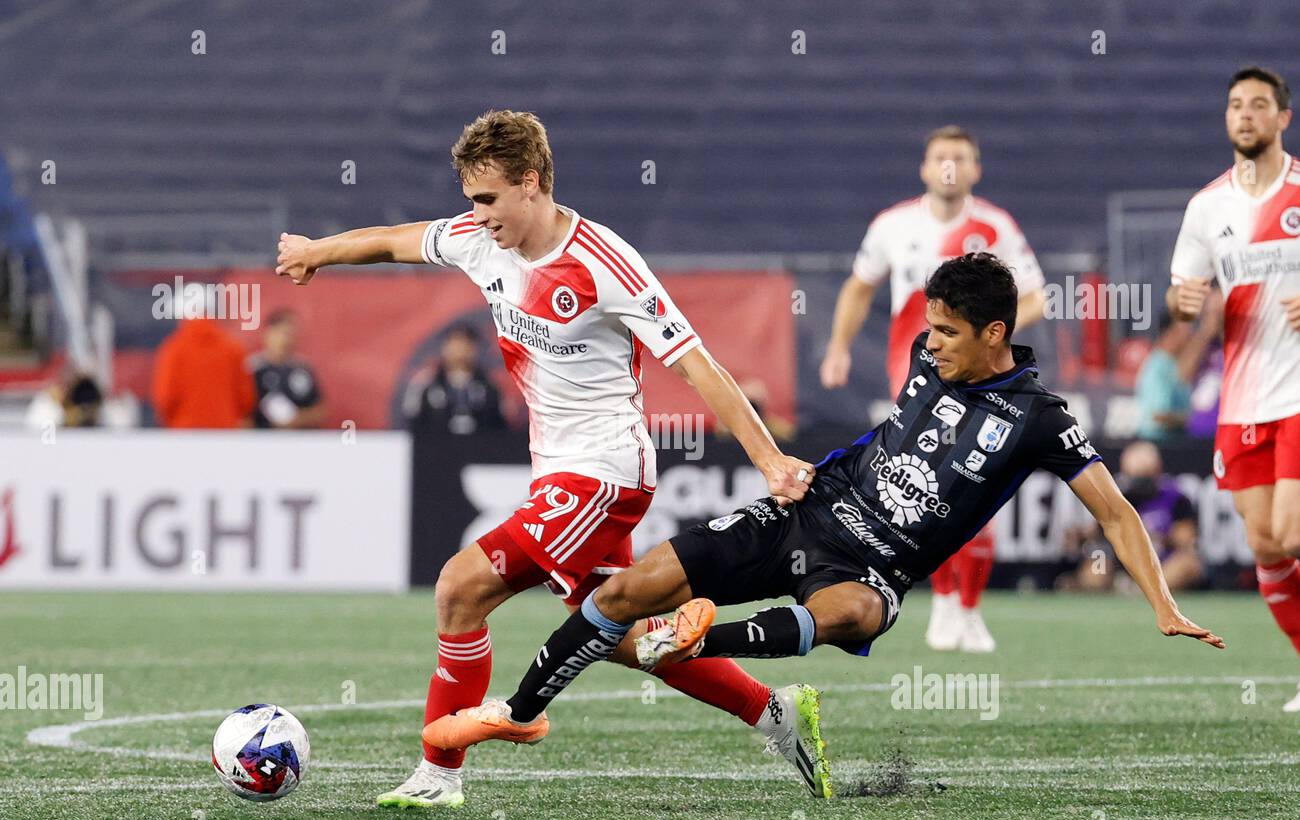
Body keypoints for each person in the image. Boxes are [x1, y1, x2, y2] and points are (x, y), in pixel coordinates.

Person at [428, 254, 1223, 766]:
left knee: (855, 614)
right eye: (928, 328)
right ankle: (518, 711)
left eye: (947, 332)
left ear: (994, 333)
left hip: (876, 566)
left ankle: (692, 642)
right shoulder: (926, 354)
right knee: (620, 596)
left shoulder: (1039, 420)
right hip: (811, 509)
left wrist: (1162, 603)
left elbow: (1118, 514)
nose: (930, 343)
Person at [276, 109, 827, 806]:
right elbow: (391, 241)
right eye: (471, 199)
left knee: (459, 587)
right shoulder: (479, 239)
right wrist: (316, 251)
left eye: (487, 198)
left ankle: (439, 772)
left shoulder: (605, 263)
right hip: (560, 475)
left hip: (603, 475)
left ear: (530, 183)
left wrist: (771, 461)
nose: (474, 214)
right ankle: (776, 712)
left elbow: (698, 365)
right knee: (623, 636)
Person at [820, 126, 1047, 654]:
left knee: (979, 486)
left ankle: (968, 608)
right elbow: (859, 286)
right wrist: (838, 347)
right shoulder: (893, 226)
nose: (949, 166)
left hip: (985, 383)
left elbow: (1035, 297)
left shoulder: (995, 228)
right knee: (928, 489)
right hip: (918, 379)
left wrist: (995, 339)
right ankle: (945, 604)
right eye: (940, 157)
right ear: (925, 168)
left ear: (975, 168)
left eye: (960, 157)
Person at [1165, 66, 1300, 712]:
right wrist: (1183, 299)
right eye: (1235, 106)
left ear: (1283, 119)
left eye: (1259, 105)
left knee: (1293, 533)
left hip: (1298, 392)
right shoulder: (1207, 207)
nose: (1245, 115)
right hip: (1243, 400)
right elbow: (1180, 296)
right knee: (1267, 545)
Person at [1063, 441, 1203, 593]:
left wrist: (1152, 534)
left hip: (1161, 560)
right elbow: (1097, 532)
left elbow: (1185, 539)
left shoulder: (1175, 497)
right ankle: (1108, 586)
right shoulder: (1116, 497)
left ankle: (1141, 589)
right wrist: (1082, 535)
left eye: (1144, 477)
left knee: (1187, 563)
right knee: (1098, 559)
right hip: (1122, 561)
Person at [151, 283, 255, 429]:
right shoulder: (234, 349)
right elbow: (246, 399)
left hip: (184, 435)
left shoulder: (173, 350)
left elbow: (165, 399)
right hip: (226, 435)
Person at [401, 324, 505, 434]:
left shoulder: (490, 388)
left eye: (466, 343)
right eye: (455, 343)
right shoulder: (425, 385)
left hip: (479, 448)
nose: (460, 349)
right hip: (436, 448)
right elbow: (413, 422)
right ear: (444, 347)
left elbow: (500, 426)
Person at [1134, 311, 1218, 442]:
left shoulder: (1173, 365)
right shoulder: (1157, 367)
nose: (1189, 335)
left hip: (1177, 441)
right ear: (1169, 333)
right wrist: (1198, 420)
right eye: (1184, 330)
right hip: (1158, 443)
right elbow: (1158, 416)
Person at [248, 309, 325, 429]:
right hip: (261, 440)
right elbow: (240, 412)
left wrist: (296, 420)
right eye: (280, 333)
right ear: (267, 334)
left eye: (290, 334)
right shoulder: (252, 369)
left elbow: (320, 410)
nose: (284, 340)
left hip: (297, 441)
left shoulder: (302, 369)